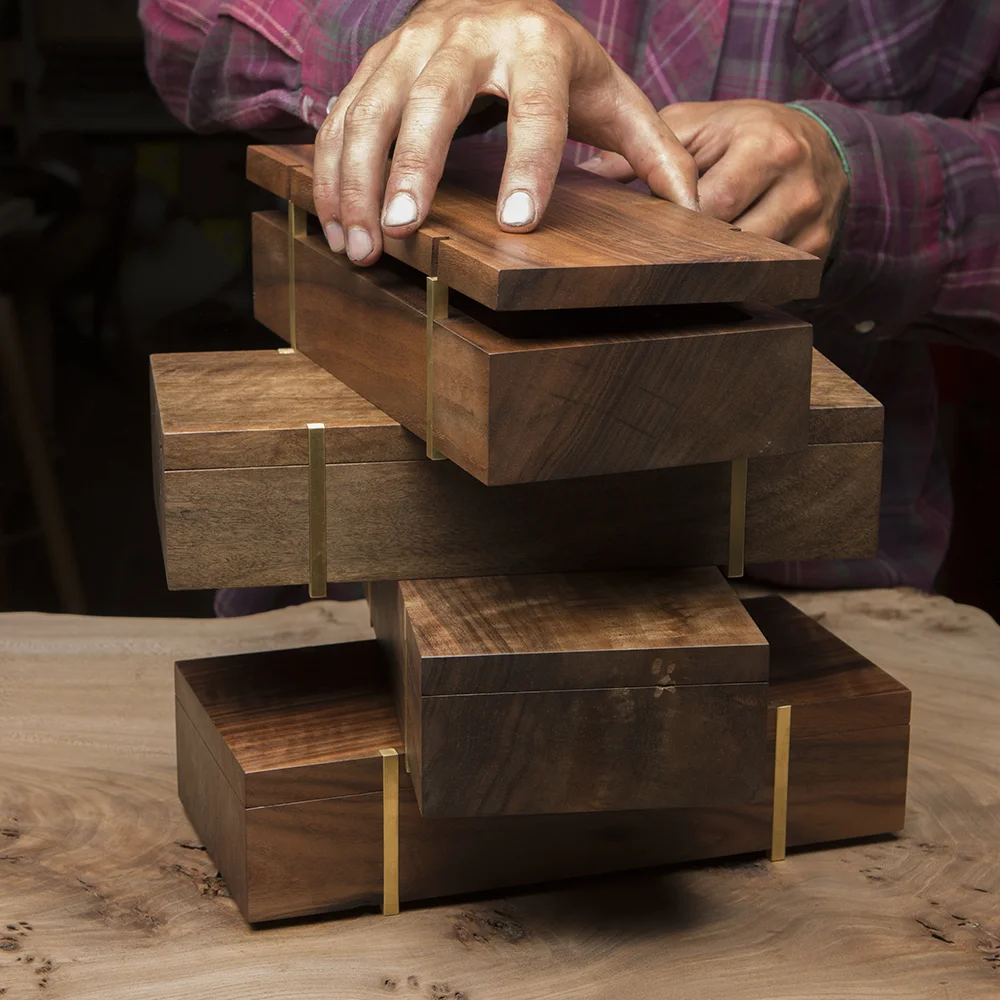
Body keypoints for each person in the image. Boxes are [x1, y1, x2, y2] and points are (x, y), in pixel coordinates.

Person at [139, 0, 1000, 595]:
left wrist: (863, 178)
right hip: (350, 582)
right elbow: (177, 24)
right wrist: (422, 35)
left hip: (803, 597)